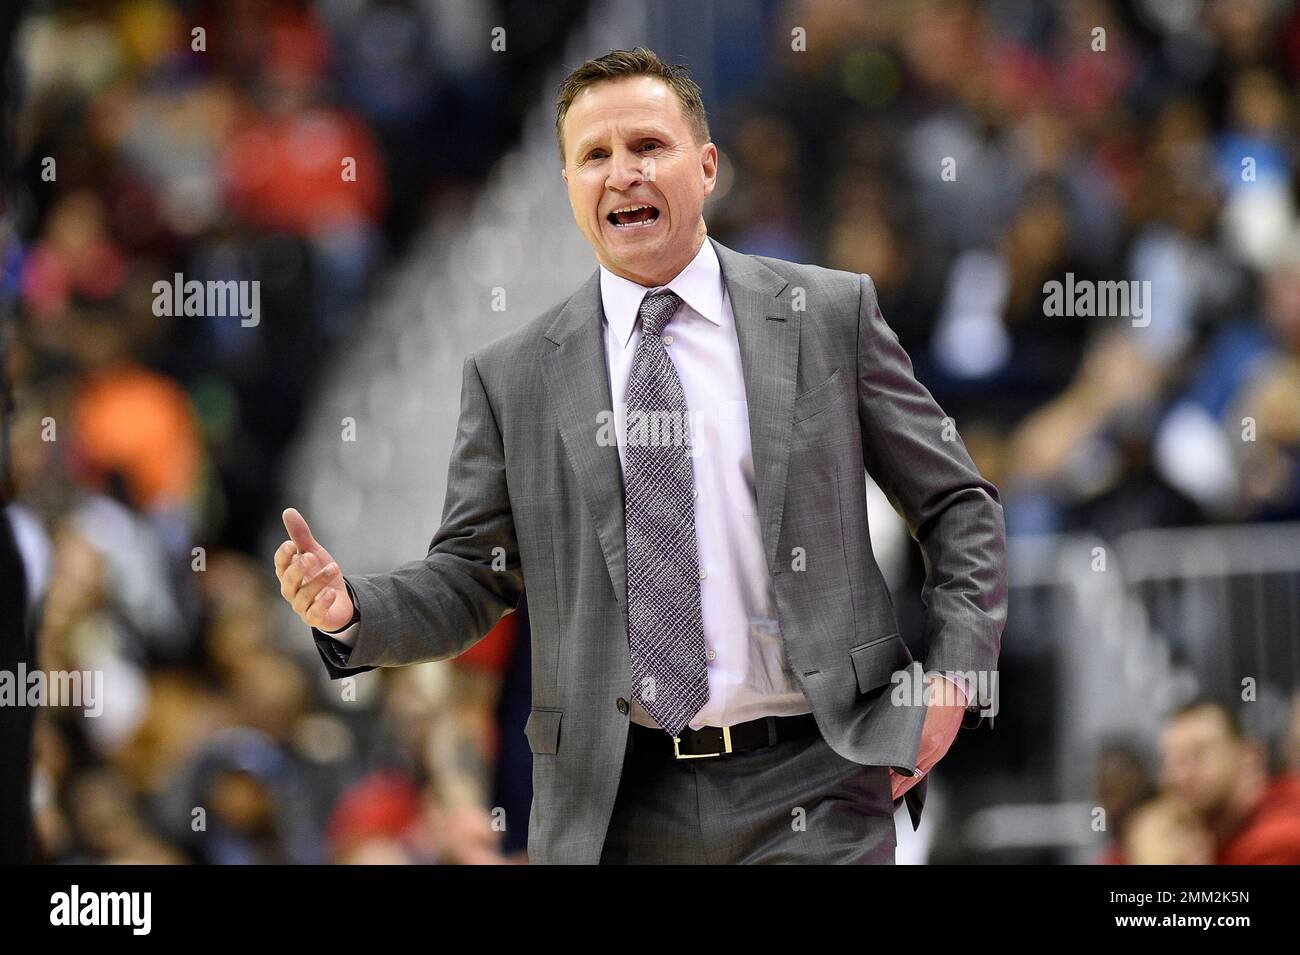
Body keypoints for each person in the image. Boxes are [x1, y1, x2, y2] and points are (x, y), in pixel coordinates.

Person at [274, 48, 1007, 864]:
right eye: (594, 155)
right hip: (618, 801)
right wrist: (352, 610)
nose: (622, 172)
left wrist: (953, 680)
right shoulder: (512, 376)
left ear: (706, 166)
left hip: (819, 774)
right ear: (568, 187)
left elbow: (959, 504)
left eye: (648, 146)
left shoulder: (827, 314)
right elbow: (473, 576)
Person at [1160, 698, 1300, 865]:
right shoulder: (1217, 836)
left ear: (1249, 757)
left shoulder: (1280, 836)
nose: (1180, 775)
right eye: (1174, 760)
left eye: (1199, 753)